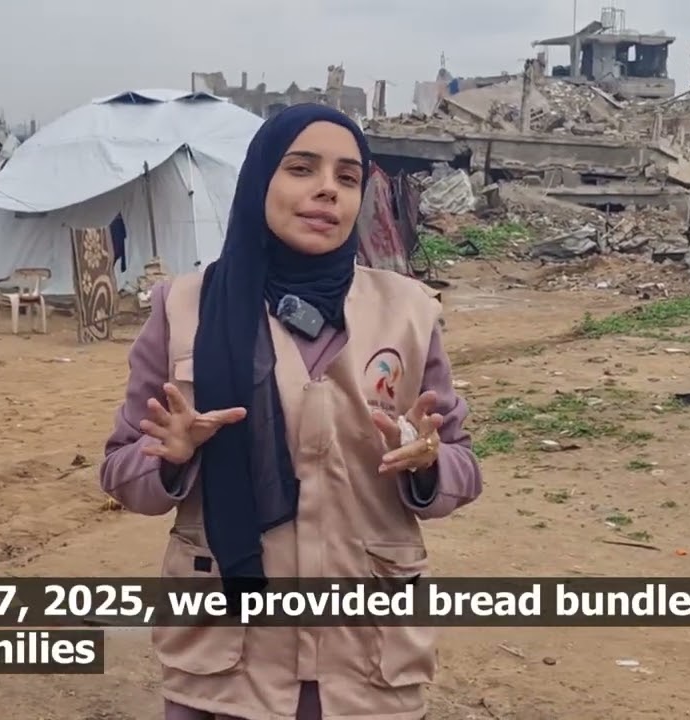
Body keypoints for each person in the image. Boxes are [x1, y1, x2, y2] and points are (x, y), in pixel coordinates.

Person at [99, 103, 483, 720]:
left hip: (367, 658)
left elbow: (461, 465)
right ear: (260, 182)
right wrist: (169, 459)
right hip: (224, 661)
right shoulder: (184, 309)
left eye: (347, 177)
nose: (327, 189)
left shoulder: (409, 312)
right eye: (301, 169)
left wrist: (430, 463)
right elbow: (123, 473)